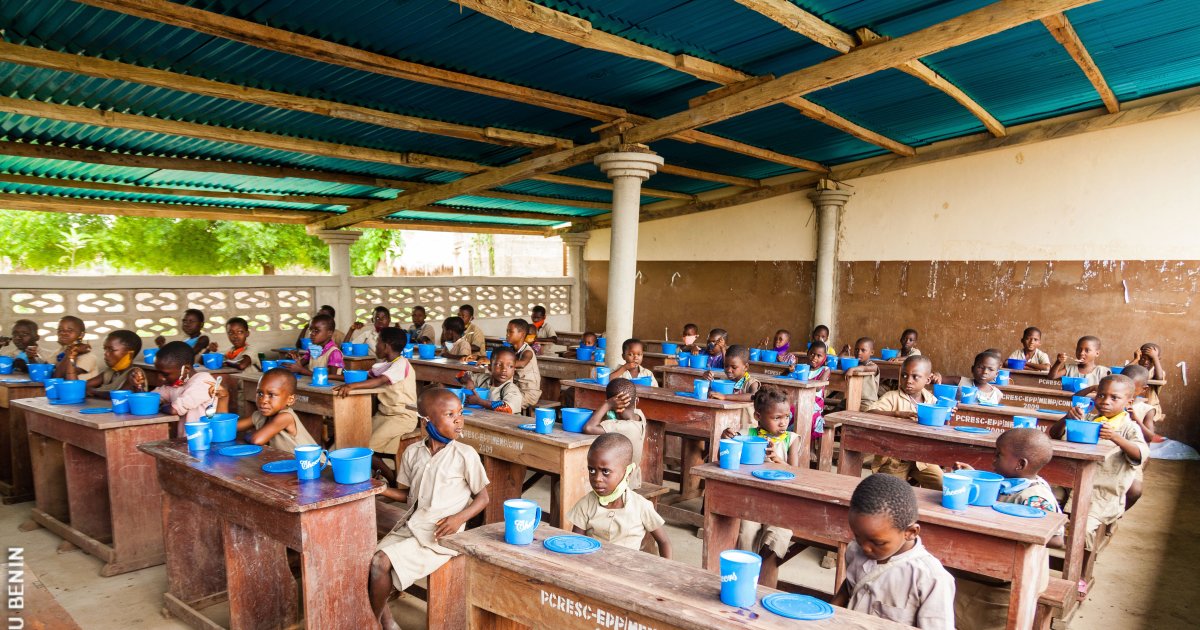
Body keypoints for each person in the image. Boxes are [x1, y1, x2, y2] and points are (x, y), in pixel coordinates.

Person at [370, 388, 489, 630]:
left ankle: (368, 623)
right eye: (449, 414)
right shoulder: (413, 452)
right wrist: (381, 490)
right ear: (426, 421)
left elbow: (483, 498)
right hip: (412, 526)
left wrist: (458, 518)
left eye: (460, 413)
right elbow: (408, 496)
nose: (459, 420)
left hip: (441, 536)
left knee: (379, 562)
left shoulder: (465, 455)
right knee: (367, 565)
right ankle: (387, 622)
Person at [953, 428, 1063, 630]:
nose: (993, 459)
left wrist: (1013, 528)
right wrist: (973, 476)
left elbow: (1055, 538)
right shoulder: (1013, 483)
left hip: (1016, 577)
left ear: (1020, 464)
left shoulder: (1035, 496)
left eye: (999, 454)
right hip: (998, 564)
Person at [832, 473, 955, 629]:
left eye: (878, 542)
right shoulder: (855, 550)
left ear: (910, 532)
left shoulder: (931, 579)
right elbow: (849, 587)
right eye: (857, 536)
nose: (865, 547)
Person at [1050, 374, 1147, 551]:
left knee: (1081, 530)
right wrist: (1066, 418)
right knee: (1041, 508)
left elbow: (1140, 454)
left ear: (1129, 402)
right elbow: (1055, 435)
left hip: (1101, 496)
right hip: (1071, 487)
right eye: (1101, 395)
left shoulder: (1129, 428)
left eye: (1114, 398)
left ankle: (1079, 573)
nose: (1105, 401)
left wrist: (1116, 437)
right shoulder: (1087, 419)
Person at [721, 387, 802, 587]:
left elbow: (799, 475)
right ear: (758, 416)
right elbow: (724, 457)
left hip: (782, 504)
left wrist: (778, 460)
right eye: (777, 417)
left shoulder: (791, 439)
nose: (783, 422)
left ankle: (765, 588)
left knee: (776, 540)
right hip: (752, 501)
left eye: (786, 417)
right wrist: (726, 437)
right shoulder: (747, 434)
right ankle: (744, 583)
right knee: (746, 533)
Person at [568, 433, 671, 557]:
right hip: (593, 568)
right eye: (592, 470)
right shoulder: (585, 504)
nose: (597, 479)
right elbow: (575, 543)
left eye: (605, 471)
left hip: (628, 571)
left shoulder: (641, 506)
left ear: (628, 472)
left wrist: (666, 572)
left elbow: (664, 542)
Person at [335, 328, 418, 477]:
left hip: (402, 416)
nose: (375, 346)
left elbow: (379, 381)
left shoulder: (401, 364)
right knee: (358, 438)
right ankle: (374, 474)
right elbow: (362, 378)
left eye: (378, 342)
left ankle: (391, 479)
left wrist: (351, 386)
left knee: (367, 449)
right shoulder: (385, 364)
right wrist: (334, 378)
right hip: (384, 415)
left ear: (387, 346)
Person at [866, 356, 943, 489]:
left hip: (922, 459)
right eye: (904, 375)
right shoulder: (892, 396)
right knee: (891, 491)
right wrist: (896, 413)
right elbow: (870, 413)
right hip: (894, 458)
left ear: (928, 379)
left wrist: (948, 413)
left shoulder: (932, 400)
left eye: (915, 377)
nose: (908, 380)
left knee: (944, 486)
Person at [141, 341, 220, 434]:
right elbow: (148, 400)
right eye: (158, 372)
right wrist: (139, 387)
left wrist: (161, 407)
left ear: (185, 370)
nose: (160, 378)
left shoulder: (204, 382)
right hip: (185, 440)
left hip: (203, 441)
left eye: (165, 374)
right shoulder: (175, 384)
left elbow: (174, 409)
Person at [582, 378, 646, 489]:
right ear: (637, 401)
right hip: (631, 478)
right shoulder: (639, 415)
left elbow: (589, 428)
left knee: (561, 485)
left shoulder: (622, 427)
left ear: (613, 404)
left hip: (621, 484)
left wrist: (607, 404)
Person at [236, 368, 317, 453]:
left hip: (318, 465)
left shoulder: (286, 417)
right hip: (289, 463)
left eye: (271, 395)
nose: (263, 400)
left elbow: (257, 440)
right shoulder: (259, 415)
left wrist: (247, 435)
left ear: (290, 400)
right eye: (260, 393)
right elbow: (229, 428)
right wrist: (224, 398)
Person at [69, 329, 145, 396]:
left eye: (111, 350)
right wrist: (71, 357)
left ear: (130, 354)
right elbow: (82, 386)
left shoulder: (135, 373)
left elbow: (120, 394)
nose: (106, 353)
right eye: (105, 349)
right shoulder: (110, 372)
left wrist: (94, 391)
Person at [459, 346, 523, 414]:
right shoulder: (482, 379)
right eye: (499, 364)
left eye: (510, 366)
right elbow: (460, 375)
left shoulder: (511, 389)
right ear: (489, 367)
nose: (504, 369)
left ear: (514, 370)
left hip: (504, 423)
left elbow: (507, 408)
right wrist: (468, 381)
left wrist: (479, 401)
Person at [506, 319, 541, 411]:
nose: (507, 334)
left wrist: (500, 363)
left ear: (521, 334)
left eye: (511, 332)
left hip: (529, 393)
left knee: (504, 404)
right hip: (516, 389)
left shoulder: (527, 351)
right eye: (507, 331)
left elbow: (522, 364)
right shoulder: (512, 350)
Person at [592, 338, 657, 385]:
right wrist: (624, 368)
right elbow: (607, 380)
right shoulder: (619, 371)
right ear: (623, 356)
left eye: (639, 354)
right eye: (630, 354)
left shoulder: (648, 373)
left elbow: (655, 389)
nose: (636, 357)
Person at [842, 337, 882, 408]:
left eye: (863, 350)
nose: (859, 353)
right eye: (856, 349)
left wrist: (853, 369)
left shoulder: (872, 366)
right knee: (834, 412)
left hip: (867, 402)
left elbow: (865, 368)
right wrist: (843, 352)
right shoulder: (854, 364)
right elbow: (839, 362)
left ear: (872, 352)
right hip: (850, 399)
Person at [1133, 342, 1165, 422]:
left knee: (1147, 422)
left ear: (1157, 359)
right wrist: (1135, 360)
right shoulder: (1135, 370)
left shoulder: (1156, 372)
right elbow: (1123, 374)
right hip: (1134, 405)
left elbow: (1160, 378)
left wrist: (1155, 358)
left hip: (1150, 405)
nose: (1146, 362)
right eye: (1143, 358)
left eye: (1150, 359)